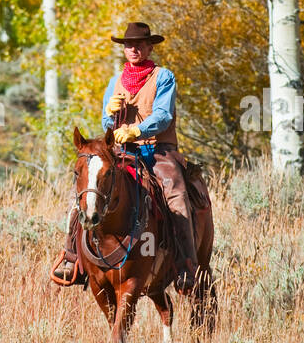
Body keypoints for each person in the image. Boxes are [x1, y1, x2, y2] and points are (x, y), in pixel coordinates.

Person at [51, 21, 199, 292]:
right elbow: (107, 122)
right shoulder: (116, 80)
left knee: (176, 194)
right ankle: (72, 258)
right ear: (124, 49)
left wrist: (137, 130)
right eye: (129, 45)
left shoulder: (163, 77)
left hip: (158, 151)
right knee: (86, 193)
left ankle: (187, 265)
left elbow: (163, 115)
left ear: (149, 47)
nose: (134, 49)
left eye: (139, 44)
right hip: (122, 153)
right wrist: (109, 113)